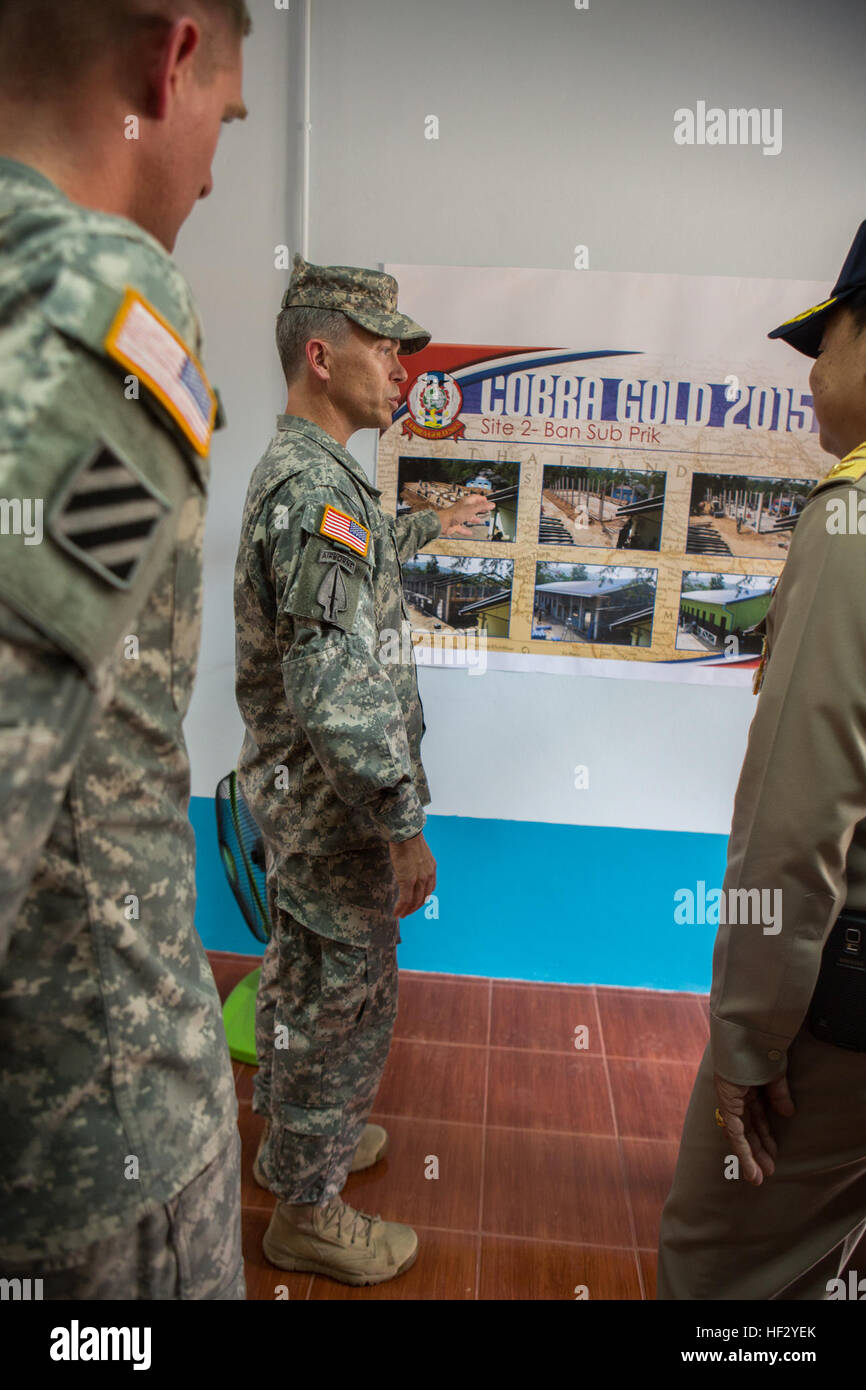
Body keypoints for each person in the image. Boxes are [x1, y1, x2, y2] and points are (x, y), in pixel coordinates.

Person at [0, 0, 250, 1300]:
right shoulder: (105, 296)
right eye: (226, 116)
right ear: (173, 56)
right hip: (88, 1143)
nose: (213, 166)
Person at [234, 255, 494, 1286]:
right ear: (319, 350)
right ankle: (306, 1210)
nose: (401, 364)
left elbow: (361, 561)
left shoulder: (318, 478)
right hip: (337, 812)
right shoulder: (311, 492)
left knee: (310, 981)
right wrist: (401, 823)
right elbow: (336, 688)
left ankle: (304, 1144)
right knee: (341, 993)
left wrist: (432, 522)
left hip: (308, 803)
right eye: (384, 343)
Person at [658, 221, 866, 1300]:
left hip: (838, 1027)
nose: (811, 378)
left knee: (719, 1271)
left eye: (821, 343)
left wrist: (746, 1040)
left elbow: (796, 823)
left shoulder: (852, 521)